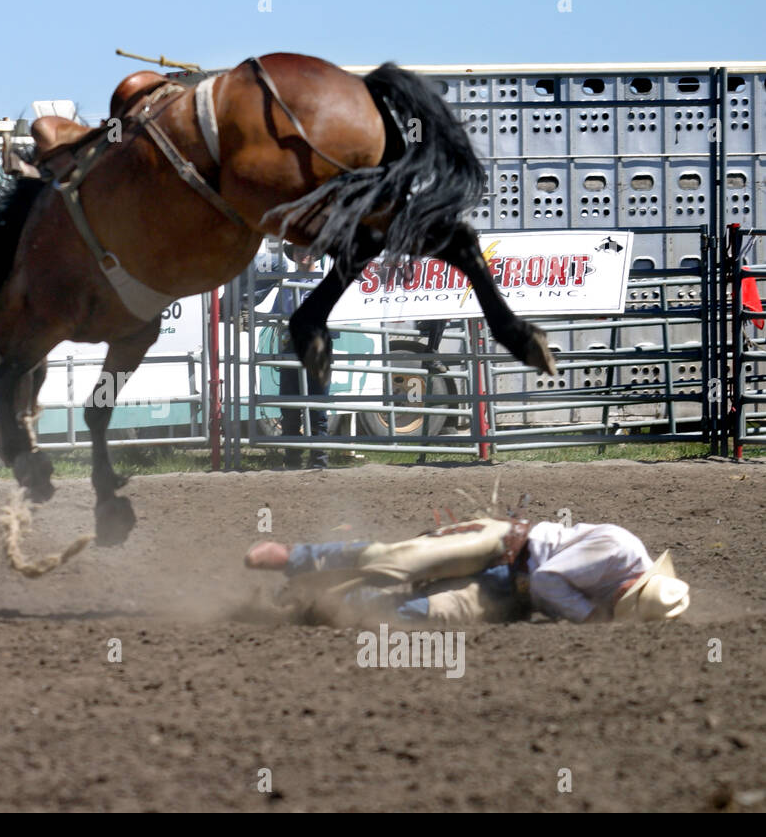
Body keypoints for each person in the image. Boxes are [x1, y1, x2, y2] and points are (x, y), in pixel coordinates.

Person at [245, 517, 690, 627]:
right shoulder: (618, 549)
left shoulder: (618, 593)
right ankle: (296, 557)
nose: (618, 607)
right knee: (400, 557)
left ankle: (315, 608)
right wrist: (588, 617)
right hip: (506, 545)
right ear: (638, 581)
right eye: (626, 600)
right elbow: (547, 579)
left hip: (513, 597)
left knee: (425, 613)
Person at [254, 242, 331, 468]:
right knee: (290, 406)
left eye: (307, 249)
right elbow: (275, 315)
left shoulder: (324, 282)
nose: (303, 253)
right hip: (291, 347)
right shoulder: (286, 285)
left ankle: (318, 460)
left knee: (317, 406)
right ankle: (293, 459)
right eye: (299, 250)